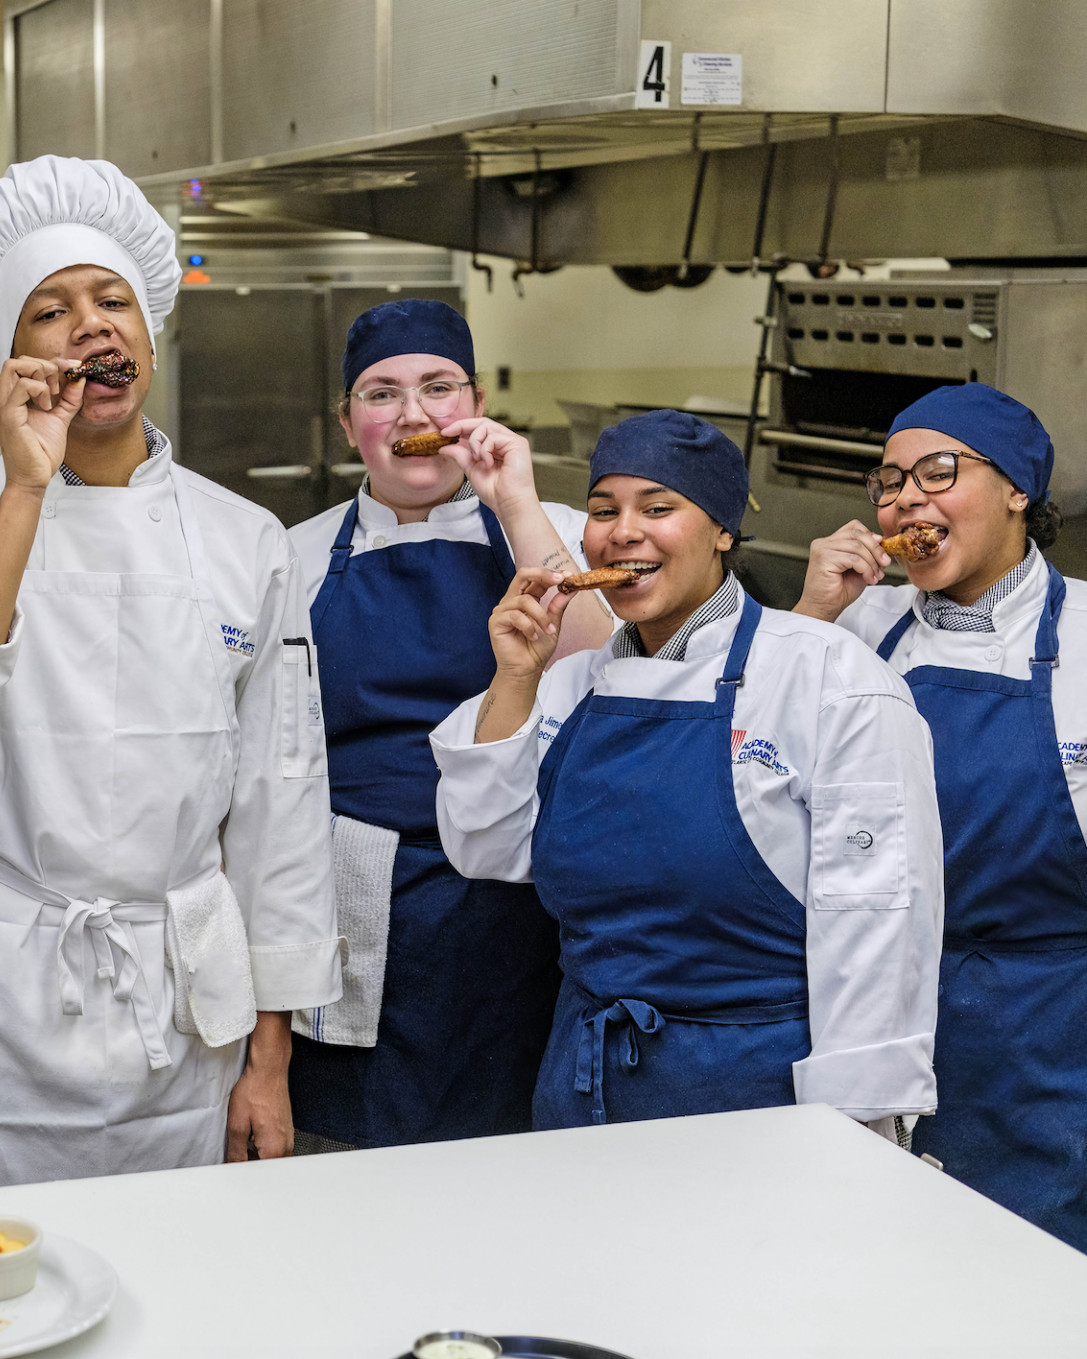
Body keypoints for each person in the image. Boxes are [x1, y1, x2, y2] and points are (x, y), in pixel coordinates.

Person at [0, 156, 341, 1194]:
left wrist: (270, 1059)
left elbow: (280, 810)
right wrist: (24, 488)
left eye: (113, 301)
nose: (91, 328)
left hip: (179, 999)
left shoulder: (244, 539)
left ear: (149, 331)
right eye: (51, 311)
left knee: (173, 1264)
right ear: (5, 359)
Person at [430, 410, 945, 1134]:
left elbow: (876, 921)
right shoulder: (571, 686)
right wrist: (515, 677)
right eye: (603, 511)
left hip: (756, 1098)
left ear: (723, 530)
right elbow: (487, 846)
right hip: (585, 1088)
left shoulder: (828, 676)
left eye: (657, 508)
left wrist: (854, 1128)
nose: (623, 532)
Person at [285, 300, 612, 1152]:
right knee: (350, 1152)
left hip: (518, 890)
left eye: (438, 388)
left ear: (476, 404)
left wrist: (517, 505)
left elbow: (605, 676)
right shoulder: (292, 556)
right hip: (354, 895)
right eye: (381, 393)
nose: (414, 415)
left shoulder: (554, 531)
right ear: (347, 423)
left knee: (505, 1151)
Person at [792, 383, 1087, 1247]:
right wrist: (812, 619)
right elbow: (742, 781)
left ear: (1018, 488)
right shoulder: (855, 625)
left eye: (938, 472)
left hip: (1041, 1035)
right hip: (864, 1011)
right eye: (890, 482)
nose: (905, 500)